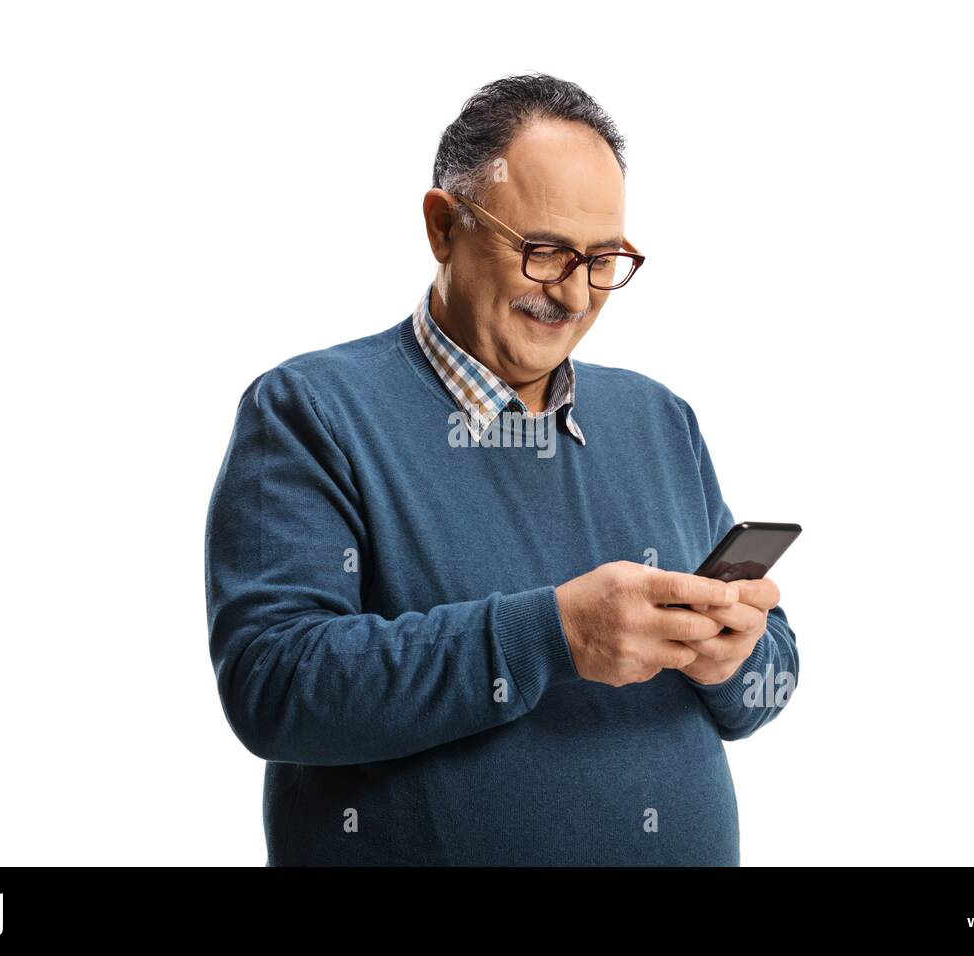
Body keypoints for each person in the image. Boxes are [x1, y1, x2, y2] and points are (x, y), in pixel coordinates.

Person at [204, 72, 798, 865]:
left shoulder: (659, 419)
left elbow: (769, 686)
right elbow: (275, 687)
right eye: (545, 252)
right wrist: (553, 636)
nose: (576, 295)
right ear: (443, 227)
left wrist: (737, 658)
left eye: (603, 260)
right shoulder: (310, 411)